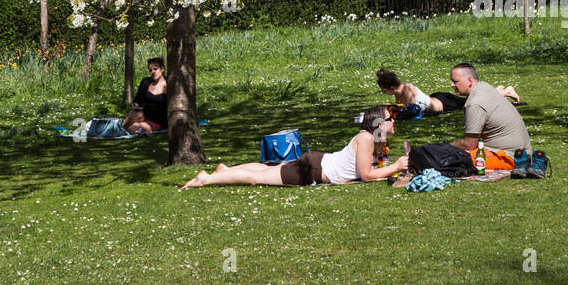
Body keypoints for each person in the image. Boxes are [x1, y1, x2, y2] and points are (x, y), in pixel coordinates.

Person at [181, 106, 409, 188]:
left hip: (317, 164)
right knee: (258, 178)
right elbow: (366, 175)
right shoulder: (367, 138)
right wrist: (397, 166)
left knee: (267, 168)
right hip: (313, 170)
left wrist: (396, 165)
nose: (393, 121)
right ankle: (206, 179)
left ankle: (225, 171)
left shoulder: (376, 140)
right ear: (379, 123)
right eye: (390, 118)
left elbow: (373, 169)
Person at [445, 62, 532, 170]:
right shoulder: (484, 87)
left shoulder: (475, 103)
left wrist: (447, 146)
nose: (452, 85)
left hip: (508, 158)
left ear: (470, 80)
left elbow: (469, 144)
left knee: (448, 159)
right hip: (522, 152)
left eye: (455, 81)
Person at [376, 67, 522, 117]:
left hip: (445, 104)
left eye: (384, 90)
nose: (384, 93)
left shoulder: (407, 88)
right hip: (437, 99)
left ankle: (505, 91)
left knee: (475, 101)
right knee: (473, 99)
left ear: (389, 88)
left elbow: (411, 110)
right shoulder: (398, 92)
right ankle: (499, 90)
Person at [122, 57, 168, 134]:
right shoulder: (146, 82)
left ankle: (120, 130)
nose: (153, 72)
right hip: (143, 115)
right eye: (150, 70)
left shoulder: (169, 83)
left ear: (162, 69)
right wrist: (135, 105)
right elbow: (137, 99)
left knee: (134, 128)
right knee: (133, 113)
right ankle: (119, 129)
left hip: (158, 121)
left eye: (155, 69)